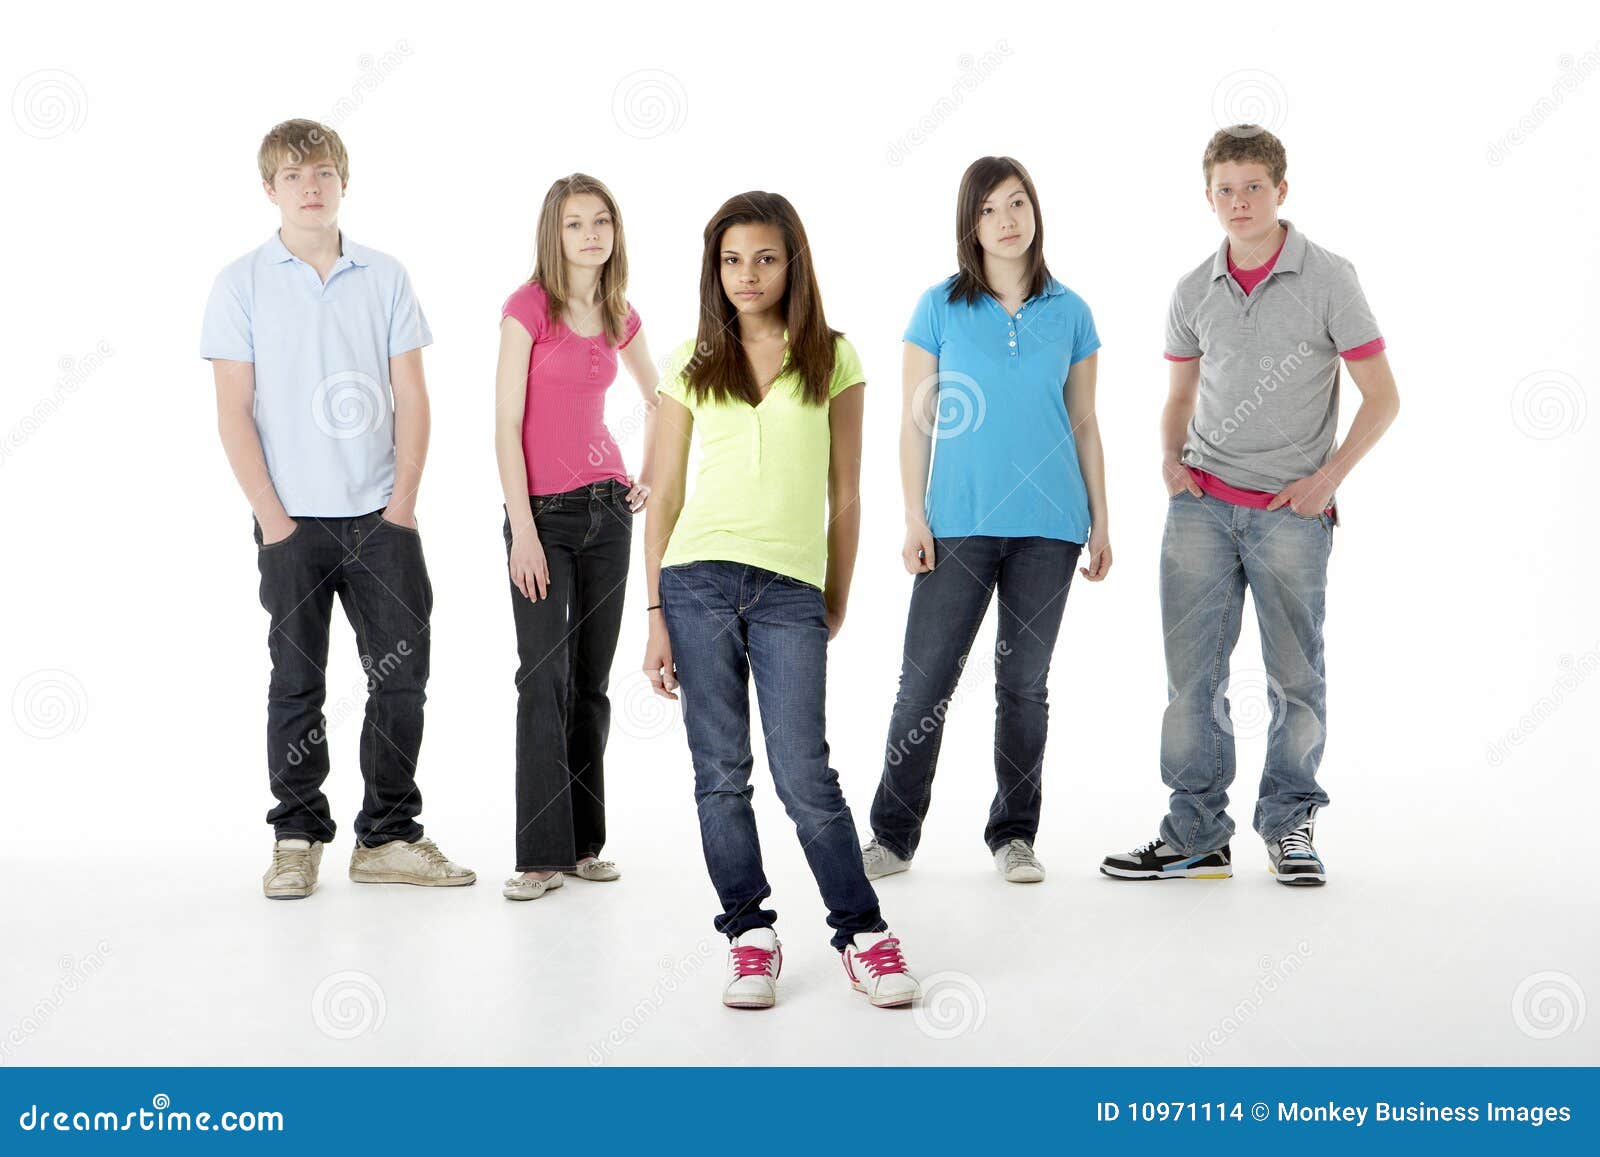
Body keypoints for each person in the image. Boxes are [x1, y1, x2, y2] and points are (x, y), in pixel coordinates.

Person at [643, 192, 921, 1009]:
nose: (747, 274)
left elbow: (847, 493)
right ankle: (749, 933)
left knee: (804, 770)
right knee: (720, 773)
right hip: (693, 581)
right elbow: (661, 496)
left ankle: (863, 931)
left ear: (792, 262)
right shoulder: (689, 362)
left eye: (764, 257)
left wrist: (832, 594)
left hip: (788, 587)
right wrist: (653, 614)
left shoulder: (834, 357)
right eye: (731, 260)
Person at [1101, 126, 1399, 886]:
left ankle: (1290, 823)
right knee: (1190, 680)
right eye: (1225, 190)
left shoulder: (1329, 277)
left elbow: (1383, 398)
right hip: (1200, 507)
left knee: (1295, 678)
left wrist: (1328, 480)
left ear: (1282, 191)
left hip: (1291, 514)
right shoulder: (1191, 288)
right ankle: (1197, 833)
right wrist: (1169, 462)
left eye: (1253, 188)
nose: (1239, 203)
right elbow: (1178, 394)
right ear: (1208, 197)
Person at [201, 118, 474, 899]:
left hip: (381, 518)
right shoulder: (240, 282)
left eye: (321, 172)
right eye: (293, 176)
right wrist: (274, 520)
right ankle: (296, 836)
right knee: (297, 681)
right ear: (270, 189)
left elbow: (413, 396)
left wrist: (402, 504)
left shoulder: (384, 275)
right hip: (291, 522)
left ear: (343, 181)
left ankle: (387, 835)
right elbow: (233, 412)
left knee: (403, 679)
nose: (309, 187)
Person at [862, 156, 1110, 886]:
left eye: (1018, 203)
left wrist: (1101, 520)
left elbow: (1086, 422)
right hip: (957, 524)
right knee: (924, 682)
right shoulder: (938, 307)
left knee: (1024, 684)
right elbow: (916, 424)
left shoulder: (1072, 311)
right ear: (970, 224)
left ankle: (1014, 834)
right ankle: (892, 836)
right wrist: (913, 515)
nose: (1007, 220)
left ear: (1036, 212)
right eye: (989, 209)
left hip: (1052, 526)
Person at [493, 174, 658, 901]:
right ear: (552, 235)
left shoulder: (620, 312)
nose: (590, 234)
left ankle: (585, 844)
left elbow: (662, 400)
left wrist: (647, 475)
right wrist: (521, 533)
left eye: (601, 221)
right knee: (543, 676)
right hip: (543, 519)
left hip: (607, 513)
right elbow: (503, 425)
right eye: (574, 224)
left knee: (589, 683)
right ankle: (539, 853)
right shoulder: (527, 308)